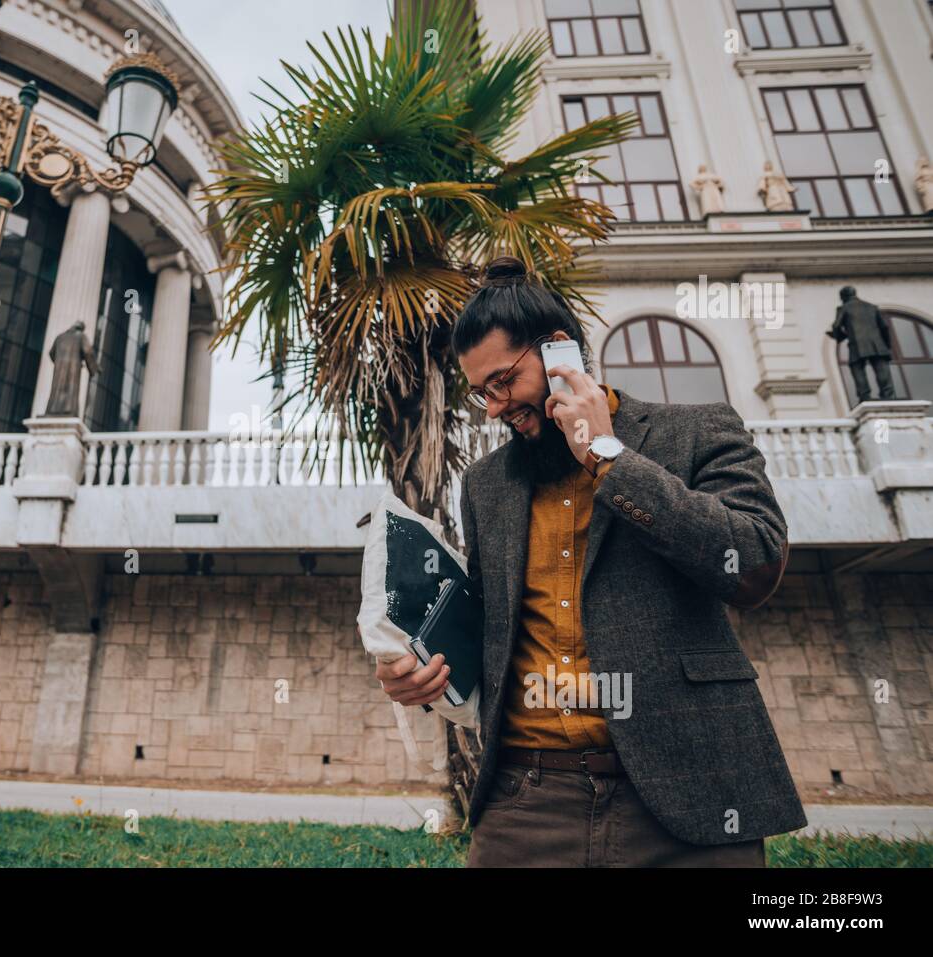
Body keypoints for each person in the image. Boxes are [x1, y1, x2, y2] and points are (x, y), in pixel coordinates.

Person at [376, 257, 806, 867]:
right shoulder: (485, 484)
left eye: (503, 381)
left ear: (559, 354)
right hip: (525, 803)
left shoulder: (696, 433)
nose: (495, 408)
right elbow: (491, 629)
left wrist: (610, 457)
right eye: (481, 394)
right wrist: (420, 675)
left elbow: (755, 566)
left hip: (691, 791)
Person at [828, 286, 895, 403]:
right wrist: (887, 345)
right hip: (878, 344)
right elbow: (884, 327)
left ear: (843, 297)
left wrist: (839, 336)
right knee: (881, 369)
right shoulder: (872, 307)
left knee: (857, 368)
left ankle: (865, 396)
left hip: (857, 345)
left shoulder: (844, 308)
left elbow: (836, 326)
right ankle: (888, 395)